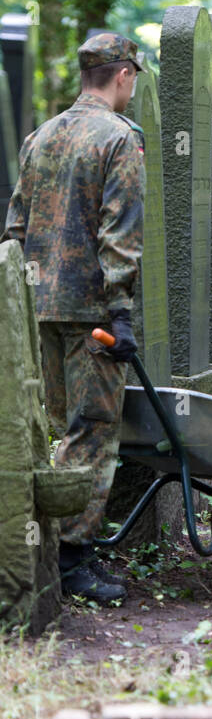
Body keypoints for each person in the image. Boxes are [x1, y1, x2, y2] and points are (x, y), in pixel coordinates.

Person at [2, 32, 146, 604]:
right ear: (124, 75)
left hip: (37, 309)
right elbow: (122, 231)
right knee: (92, 432)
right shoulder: (120, 138)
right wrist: (122, 312)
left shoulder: (41, 137)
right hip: (93, 315)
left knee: (54, 429)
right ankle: (73, 560)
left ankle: (42, 551)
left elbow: (15, 228)